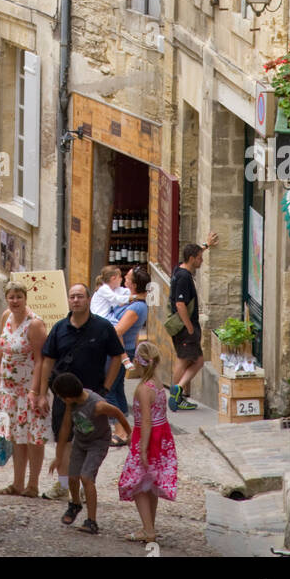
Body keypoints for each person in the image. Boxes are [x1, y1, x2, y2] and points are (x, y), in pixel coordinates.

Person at [30, 282, 124, 499]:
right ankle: (63, 485)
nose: (76, 300)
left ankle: (85, 484)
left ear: (88, 299)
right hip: (63, 396)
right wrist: (43, 393)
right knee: (64, 441)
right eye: (72, 297)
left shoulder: (102, 327)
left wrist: (107, 387)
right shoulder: (59, 328)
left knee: (89, 442)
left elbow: (117, 357)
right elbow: (48, 361)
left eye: (80, 296)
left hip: (90, 397)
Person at [49, 372, 129, 535]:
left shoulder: (97, 405)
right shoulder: (71, 404)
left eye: (61, 397)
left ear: (68, 397)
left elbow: (118, 413)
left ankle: (92, 521)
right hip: (80, 441)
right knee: (72, 477)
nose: (61, 400)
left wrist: (130, 433)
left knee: (86, 478)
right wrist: (58, 457)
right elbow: (65, 428)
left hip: (98, 443)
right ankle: (75, 504)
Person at [0, 281, 50, 497]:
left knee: (33, 436)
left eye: (19, 297)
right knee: (15, 435)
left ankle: (32, 484)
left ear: (25, 298)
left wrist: (36, 391)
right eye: (11, 297)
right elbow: (1, 347)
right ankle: (17, 482)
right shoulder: (6, 317)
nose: (15, 301)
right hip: (9, 389)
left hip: (27, 388)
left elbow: (40, 360)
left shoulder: (34, 324)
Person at [118, 339, 177, 544]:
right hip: (162, 435)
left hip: (149, 437)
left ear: (139, 361)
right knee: (149, 482)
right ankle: (149, 526)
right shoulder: (158, 385)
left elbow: (145, 421)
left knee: (137, 484)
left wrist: (142, 448)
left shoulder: (144, 389)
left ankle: (148, 530)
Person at [168, 233, 218, 409]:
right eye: (199, 258)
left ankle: (178, 392)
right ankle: (176, 396)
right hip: (184, 327)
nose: (201, 261)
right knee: (187, 361)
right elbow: (180, 303)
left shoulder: (179, 269)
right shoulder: (183, 277)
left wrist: (206, 245)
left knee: (194, 360)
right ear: (191, 259)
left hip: (185, 327)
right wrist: (189, 327)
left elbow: (194, 252)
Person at [106, 265, 150, 444]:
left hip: (119, 351)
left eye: (128, 277)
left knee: (108, 389)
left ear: (133, 284)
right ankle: (126, 430)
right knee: (116, 389)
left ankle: (120, 432)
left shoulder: (137, 307)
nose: (124, 278)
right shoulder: (131, 300)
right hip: (119, 350)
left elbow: (118, 331)